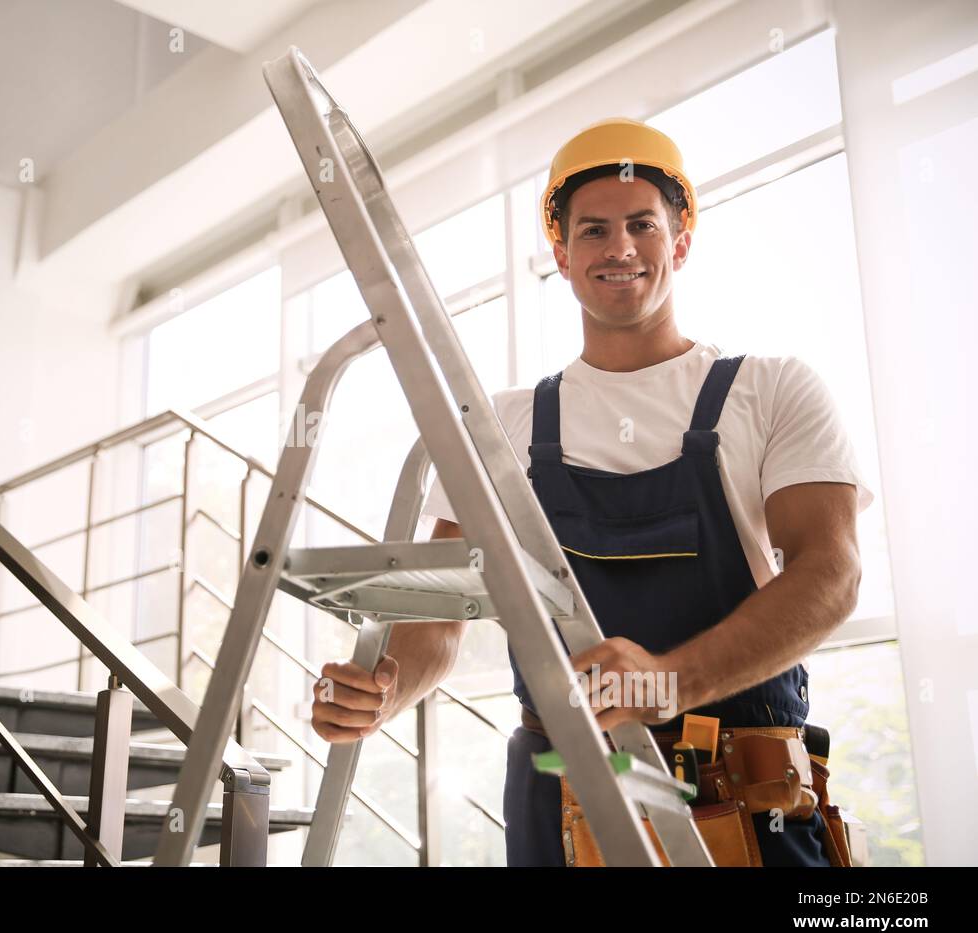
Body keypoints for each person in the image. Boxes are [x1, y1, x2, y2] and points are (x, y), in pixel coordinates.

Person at [308, 117, 873, 866]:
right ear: (563, 256)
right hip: (558, 797)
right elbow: (439, 619)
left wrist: (671, 681)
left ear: (680, 241)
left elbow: (829, 574)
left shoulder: (771, 390)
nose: (619, 248)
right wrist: (382, 691)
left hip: (743, 797)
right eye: (593, 230)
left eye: (642, 224)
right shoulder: (499, 424)